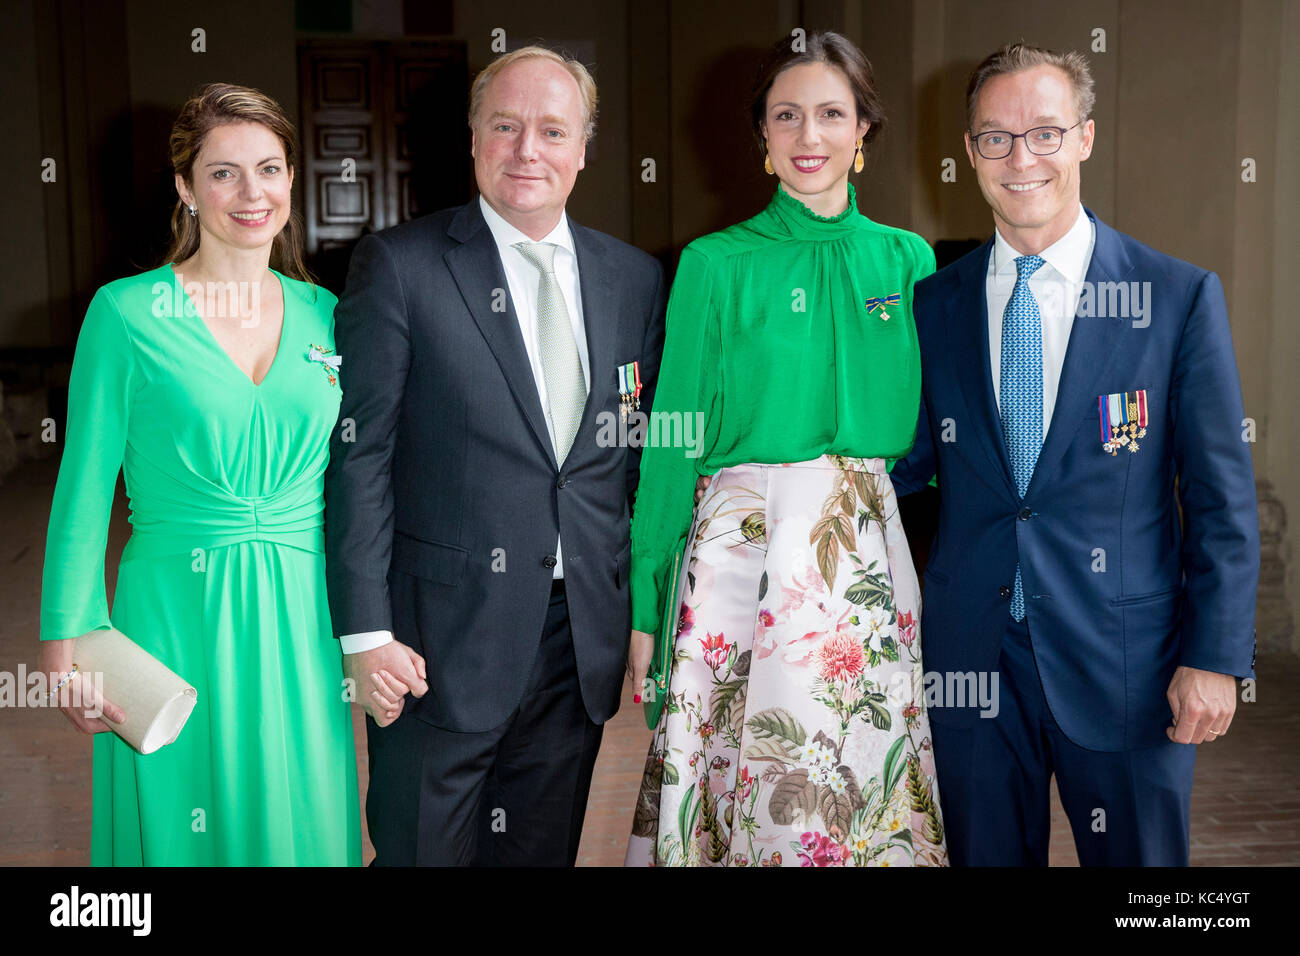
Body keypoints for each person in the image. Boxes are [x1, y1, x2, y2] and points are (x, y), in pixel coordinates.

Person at [888, 43, 1259, 866]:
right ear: (969, 151)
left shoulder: (1175, 298)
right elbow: (902, 462)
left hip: (1129, 665)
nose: (1021, 158)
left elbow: (1221, 498)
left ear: (1085, 138)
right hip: (973, 668)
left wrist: (1215, 657)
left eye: (1045, 133)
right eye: (995, 138)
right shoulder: (933, 304)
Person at [325, 45, 666, 867]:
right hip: (437, 644)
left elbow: (629, 462)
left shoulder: (635, 278)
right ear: (473, 136)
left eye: (553, 130)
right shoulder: (400, 267)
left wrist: (640, 609)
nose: (528, 150)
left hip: (576, 641)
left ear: (584, 147)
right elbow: (361, 458)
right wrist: (365, 633)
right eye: (506, 126)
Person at [625, 31, 948, 867]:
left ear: (864, 130)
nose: (810, 136)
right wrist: (648, 599)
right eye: (787, 116)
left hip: (867, 556)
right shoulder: (712, 264)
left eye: (832, 114)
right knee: (753, 784)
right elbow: (671, 440)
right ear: (761, 137)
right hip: (741, 557)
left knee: (862, 788)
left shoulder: (908, 260)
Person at [38, 83, 362, 865]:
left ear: (292, 179)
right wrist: (63, 644)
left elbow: (362, 478)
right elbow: (83, 489)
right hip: (173, 611)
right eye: (223, 173)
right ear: (185, 187)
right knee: (186, 813)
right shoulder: (126, 314)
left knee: (302, 811)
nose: (252, 193)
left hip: (301, 614)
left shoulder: (331, 313)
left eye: (269, 169)